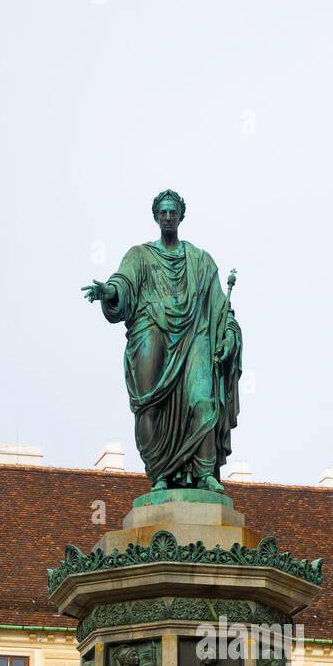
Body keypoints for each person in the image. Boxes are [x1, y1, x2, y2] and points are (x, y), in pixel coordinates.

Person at [82, 189, 241, 491]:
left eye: (173, 212)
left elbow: (221, 309)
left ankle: (205, 471)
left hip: (196, 337)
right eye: (163, 212)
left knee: (202, 399)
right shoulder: (139, 256)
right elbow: (123, 283)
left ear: (181, 215)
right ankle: (161, 473)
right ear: (156, 216)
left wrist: (230, 334)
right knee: (148, 406)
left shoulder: (201, 261)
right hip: (152, 331)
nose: (168, 217)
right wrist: (109, 292)